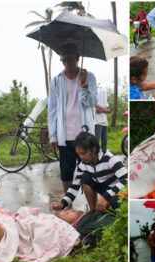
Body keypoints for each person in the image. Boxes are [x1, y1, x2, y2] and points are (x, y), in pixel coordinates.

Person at [48, 43, 98, 193]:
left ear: (77, 58)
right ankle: (68, 205)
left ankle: (93, 207)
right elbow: (52, 108)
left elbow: (92, 102)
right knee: (66, 171)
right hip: (65, 135)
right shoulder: (56, 80)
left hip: (84, 134)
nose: (67, 63)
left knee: (90, 171)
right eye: (64, 60)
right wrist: (53, 135)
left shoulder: (89, 77)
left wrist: (83, 86)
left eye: (70, 59)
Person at [50, 131, 127, 212]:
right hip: (103, 189)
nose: (81, 157)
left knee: (116, 205)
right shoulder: (83, 164)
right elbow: (74, 186)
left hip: (118, 192)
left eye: (83, 153)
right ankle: (93, 212)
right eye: (78, 154)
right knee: (85, 178)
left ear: (94, 149)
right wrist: (62, 203)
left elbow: (126, 180)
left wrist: (106, 196)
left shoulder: (110, 159)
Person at [95, 87, 111, 154]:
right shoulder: (95, 101)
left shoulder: (105, 101)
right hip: (97, 122)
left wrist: (104, 110)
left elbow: (109, 110)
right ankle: (96, 154)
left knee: (105, 140)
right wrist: (104, 110)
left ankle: (103, 154)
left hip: (105, 122)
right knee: (97, 140)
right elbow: (97, 111)